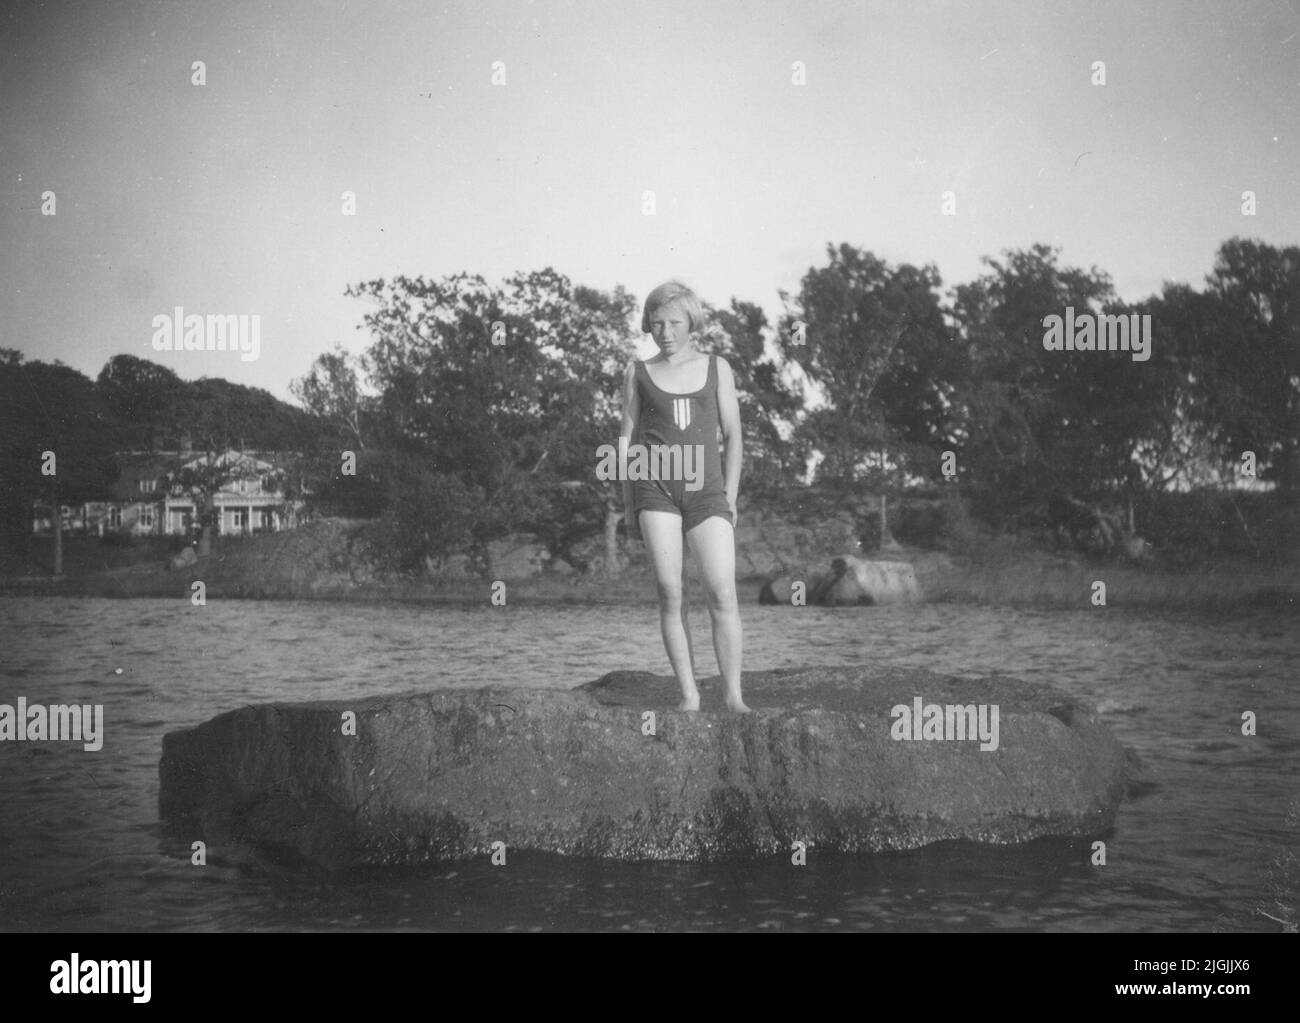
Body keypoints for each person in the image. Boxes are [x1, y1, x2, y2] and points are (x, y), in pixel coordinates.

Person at [619, 281, 749, 713]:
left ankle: (733, 695)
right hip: (655, 493)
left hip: (707, 495)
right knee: (670, 592)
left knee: (722, 593)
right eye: (657, 323)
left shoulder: (718, 367)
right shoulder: (637, 372)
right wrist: (628, 501)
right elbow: (626, 441)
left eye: (674, 322)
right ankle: (689, 695)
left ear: (691, 321)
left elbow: (733, 436)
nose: (666, 332)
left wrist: (729, 496)